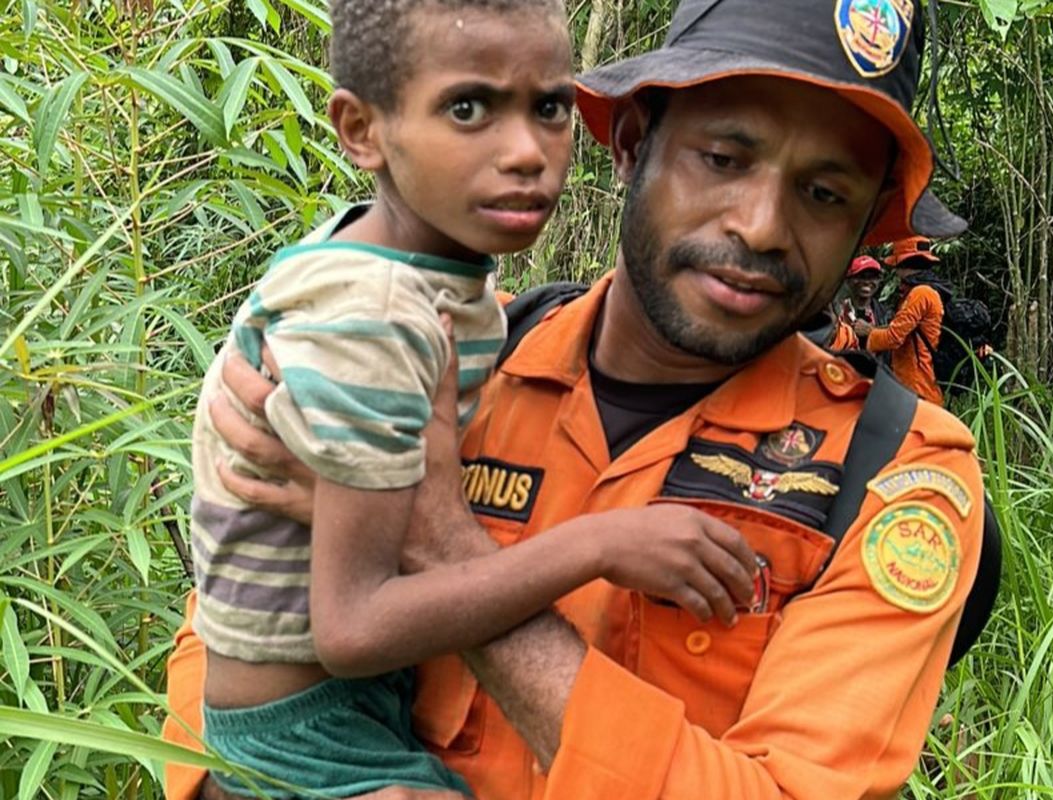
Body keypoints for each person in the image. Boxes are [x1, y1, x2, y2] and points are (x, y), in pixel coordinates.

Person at [165, 0, 986, 798]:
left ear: (871, 223)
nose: (762, 226)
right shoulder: (452, 363)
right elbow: (238, 629)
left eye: (824, 194)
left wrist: (444, 543)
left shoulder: (889, 480)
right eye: (724, 159)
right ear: (632, 142)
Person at [183, 1, 758, 797]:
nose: (526, 152)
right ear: (361, 131)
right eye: (468, 108)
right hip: (312, 729)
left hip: (339, 704)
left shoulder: (419, 275)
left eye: (549, 107)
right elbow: (352, 629)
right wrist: (598, 545)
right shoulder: (375, 320)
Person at [854, 237, 946, 405]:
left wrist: (869, 332)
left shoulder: (921, 293)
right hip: (914, 387)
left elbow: (894, 338)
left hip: (919, 387)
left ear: (903, 265)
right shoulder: (922, 290)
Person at [839, 254, 888, 332]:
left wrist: (870, 330)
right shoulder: (836, 310)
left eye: (873, 277)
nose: (867, 282)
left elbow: (892, 337)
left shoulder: (885, 313)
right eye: (861, 276)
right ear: (848, 281)